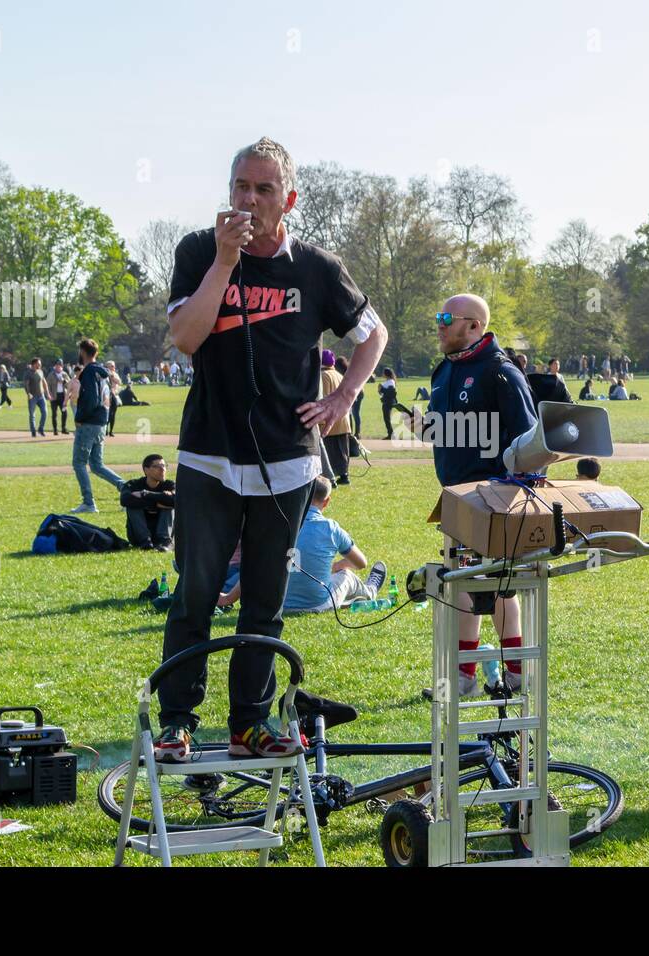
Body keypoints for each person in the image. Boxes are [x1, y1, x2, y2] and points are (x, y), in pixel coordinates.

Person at [155, 136, 388, 762]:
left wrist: (342, 403)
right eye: (240, 187)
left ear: (288, 199)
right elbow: (185, 337)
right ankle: (177, 719)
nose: (249, 199)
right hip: (209, 452)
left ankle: (249, 723)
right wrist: (225, 264)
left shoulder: (315, 266)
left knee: (264, 597)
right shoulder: (199, 250)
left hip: (286, 459)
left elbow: (373, 334)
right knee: (197, 589)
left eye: (263, 189)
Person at [413, 293, 537, 699]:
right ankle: (463, 678)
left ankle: (517, 675)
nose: (440, 324)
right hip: (456, 502)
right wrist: (426, 428)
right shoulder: (442, 372)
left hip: (495, 503)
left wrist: (512, 497)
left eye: (447, 317)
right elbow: (445, 430)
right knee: (460, 587)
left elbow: (531, 441)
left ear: (474, 326)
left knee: (501, 587)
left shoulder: (501, 373)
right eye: (438, 315)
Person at [283, 476, 386, 612]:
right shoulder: (330, 528)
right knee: (346, 576)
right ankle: (370, 591)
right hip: (318, 604)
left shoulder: (282, 523)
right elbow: (361, 563)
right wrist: (338, 566)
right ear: (326, 502)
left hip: (282, 604)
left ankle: (343, 599)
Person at [67, 338, 126, 513]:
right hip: (101, 422)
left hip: (89, 422)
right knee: (96, 465)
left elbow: (92, 399)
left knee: (79, 463)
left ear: (83, 352)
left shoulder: (89, 372)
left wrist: (79, 417)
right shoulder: (103, 372)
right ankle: (126, 489)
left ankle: (89, 502)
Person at [120, 453, 176, 550]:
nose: (162, 469)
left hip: (164, 531)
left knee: (170, 505)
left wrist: (145, 494)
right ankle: (145, 541)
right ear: (146, 470)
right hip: (138, 536)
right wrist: (158, 502)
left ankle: (165, 542)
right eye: (157, 466)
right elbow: (124, 500)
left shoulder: (170, 485)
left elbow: (177, 501)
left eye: (164, 465)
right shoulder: (133, 484)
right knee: (133, 506)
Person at [319, 349, 353, 484]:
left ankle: (329, 478)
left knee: (329, 451)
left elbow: (324, 397)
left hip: (330, 422)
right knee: (342, 451)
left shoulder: (324, 376)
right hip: (343, 420)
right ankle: (344, 476)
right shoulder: (338, 375)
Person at [379, 367, 409, 439]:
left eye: (383, 373)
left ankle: (391, 434)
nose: (382, 374)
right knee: (386, 419)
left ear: (386, 374)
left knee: (387, 419)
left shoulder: (390, 382)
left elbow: (391, 392)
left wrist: (381, 389)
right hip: (386, 401)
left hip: (388, 402)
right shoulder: (388, 381)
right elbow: (382, 393)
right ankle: (390, 434)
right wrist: (380, 390)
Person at [24, 358, 48, 437]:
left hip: (41, 396)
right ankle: (33, 431)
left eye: (40, 364)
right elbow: (26, 384)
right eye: (38, 363)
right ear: (34, 364)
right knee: (32, 414)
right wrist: (28, 393)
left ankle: (41, 429)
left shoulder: (40, 371)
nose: (40, 365)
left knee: (45, 412)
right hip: (32, 397)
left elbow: (44, 382)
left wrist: (47, 393)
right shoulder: (28, 373)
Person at [49, 360, 70, 435]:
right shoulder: (51, 375)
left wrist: (63, 381)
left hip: (62, 396)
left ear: (62, 366)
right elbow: (48, 386)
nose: (58, 367)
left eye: (60, 365)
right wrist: (49, 395)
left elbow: (69, 385)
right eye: (57, 365)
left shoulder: (64, 374)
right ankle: (55, 429)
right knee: (54, 413)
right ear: (55, 366)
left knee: (64, 412)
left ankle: (63, 428)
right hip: (54, 396)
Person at [105, 360, 123, 437]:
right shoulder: (104, 374)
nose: (114, 367)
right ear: (108, 367)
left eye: (114, 366)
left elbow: (119, 382)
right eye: (112, 366)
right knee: (107, 414)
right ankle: (105, 430)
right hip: (106, 396)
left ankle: (111, 431)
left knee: (113, 414)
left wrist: (112, 377)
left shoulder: (115, 374)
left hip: (114, 395)